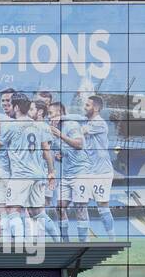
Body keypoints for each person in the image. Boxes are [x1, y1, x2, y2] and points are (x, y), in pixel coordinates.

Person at [0, 92, 57, 244]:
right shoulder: (39, 126)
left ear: (16, 107)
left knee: (12, 210)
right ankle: (58, 240)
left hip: (20, 175)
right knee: (38, 212)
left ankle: (21, 245)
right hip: (38, 174)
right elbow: (46, 150)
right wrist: (51, 172)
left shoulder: (10, 126)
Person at [49, 100, 87, 242]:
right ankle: (65, 242)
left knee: (80, 207)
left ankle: (83, 243)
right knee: (59, 207)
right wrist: (60, 156)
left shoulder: (71, 125)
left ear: (60, 113)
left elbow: (79, 144)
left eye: (51, 113)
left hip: (80, 172)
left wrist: (60, 135)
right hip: (67, 173)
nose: (49, 116)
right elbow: (64, 151)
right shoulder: (53, 130)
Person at [80, 93, 116, 240]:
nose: (84, 107)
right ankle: (85, 240)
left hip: (102, 172)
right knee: (81, 203)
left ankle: (112, 239)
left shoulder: (99, 123)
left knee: (102, 206)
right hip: (89, 170)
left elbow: (80, 132)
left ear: (96, 108)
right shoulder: (88, 122)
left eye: (87, 105)